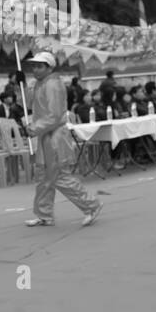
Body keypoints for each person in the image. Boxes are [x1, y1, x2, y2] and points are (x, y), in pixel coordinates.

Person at [22, 51, 102, 228]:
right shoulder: (39, 84)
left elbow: (55, 115)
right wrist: (20, 85)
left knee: (59, 176)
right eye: (33, 66)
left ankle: (91, 205)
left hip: (55, 137)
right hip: (45, 136)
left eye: (39, 66)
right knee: (43, 177)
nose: (35, 69)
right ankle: (44, 215)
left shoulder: (53, 85)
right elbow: (29, 105)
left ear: (49, 68)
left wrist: (33, 129)